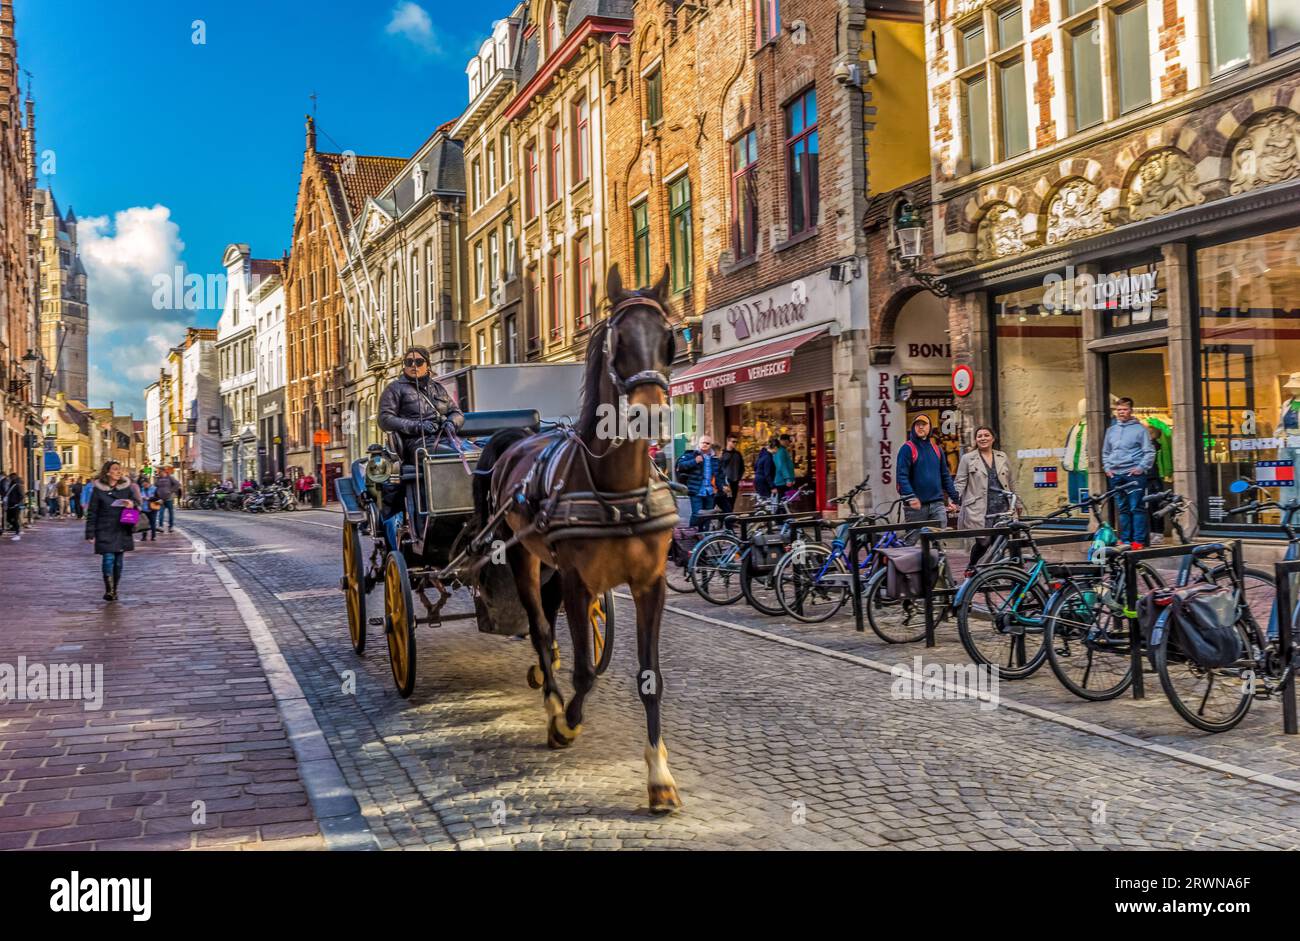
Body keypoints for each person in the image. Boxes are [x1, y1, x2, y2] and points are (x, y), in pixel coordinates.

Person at [378, 345, 465, 518]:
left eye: (418, 361)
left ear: (427, 364)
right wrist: (417, 426)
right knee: (450, 455)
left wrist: (451, 423)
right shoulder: (394, 389)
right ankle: (445, 505)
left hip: (446, 439)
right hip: (416, 444)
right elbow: (385, 419)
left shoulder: (438, 388)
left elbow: (457, 413)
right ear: (404, 365)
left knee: (475, 452)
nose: (414, 365)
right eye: (409, 362)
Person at [955, 426, 1015, 574]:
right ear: (976, 440)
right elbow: (960, 482)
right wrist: (953, 500)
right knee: (983, 542)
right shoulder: (967, 458)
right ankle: (971, 567)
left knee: (999, 543)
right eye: (979, 436)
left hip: (1002, 506)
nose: (983, 438)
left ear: (992, 438)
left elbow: (1012, 481)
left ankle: (995, 574)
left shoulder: (1002, 456)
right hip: (980, 508)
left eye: (986, 435)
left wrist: (1017, 503)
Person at [1102, 396, 1156, 548]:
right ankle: (1124, 539)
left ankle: (1138, 541)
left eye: (1124, 409)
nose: (1121, 412)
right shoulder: (1111, 430)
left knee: (1136, 508)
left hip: (1134, 475)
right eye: (1119, 410)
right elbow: (1105, 452)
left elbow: (1149, 452)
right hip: (1115, 474)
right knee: (1123, 508)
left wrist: (1141, 468)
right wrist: (1107, 468)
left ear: (1131, 411)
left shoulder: (1140, 430)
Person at [85, 460, 140, 602]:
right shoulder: (98, 490)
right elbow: (92, 512)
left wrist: (131, 504)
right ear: (108, 472)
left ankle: (115, 588)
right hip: (104, 528)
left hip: (122, 527)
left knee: (118, 562)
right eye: (115, 469)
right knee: (108, 558)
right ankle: (109, 590)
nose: (118, 471)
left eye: (119, 469)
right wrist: (90, 532)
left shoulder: (126, 488)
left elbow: (137, 504)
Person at [896, 414, 959, 525]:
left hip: (937, 505)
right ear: (913, 428)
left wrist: (954, 499)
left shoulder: (936, 449)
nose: (920, 427)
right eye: (917, 425)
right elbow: (901, 476)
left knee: (939, 539)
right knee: (913, 540)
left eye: (924, 425)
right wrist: (910, 497)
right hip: (916, 506)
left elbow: (945, 476)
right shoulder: (907, 448)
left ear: (930, 427)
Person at [676, 434, 719, 528]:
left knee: (708, 517)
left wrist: (721, 487)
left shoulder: (714, 458)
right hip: (696, 491)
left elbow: (719, 474)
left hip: (710, 492)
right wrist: (694, 461)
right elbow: (681, 466)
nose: (705, 444)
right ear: (699, 444)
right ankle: (692, 535)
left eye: (707, 443)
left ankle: (705, 536)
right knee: (696, 515)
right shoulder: (691, 454)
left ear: (710, 445)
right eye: (703, 442)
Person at [717, 436, 744, 514]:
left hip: (735, 481)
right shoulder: (722, 454)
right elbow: (718, 468)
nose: (735, 443)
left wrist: (739, 478)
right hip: (725, 482)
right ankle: (723, 520)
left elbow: (742, 467)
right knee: (725, 503)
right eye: (733, 441)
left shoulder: (738, 454)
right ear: (728, 441)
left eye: (736, 442)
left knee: (732, 502)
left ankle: (729, 520)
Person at [154, 467, 181, 533]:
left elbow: (177, 484)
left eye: (160, 472)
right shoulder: (158, 479)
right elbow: (155, 486)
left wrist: (171, 490)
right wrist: (156, 495)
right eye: (158, 472)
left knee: (170, 513)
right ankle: (160, 526)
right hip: (161, 499)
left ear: (164, 472)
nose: (159, 473)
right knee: (161, 512)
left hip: (169, 498)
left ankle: (171, 526)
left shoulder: (170, 478)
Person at [137, 476, 160, 542]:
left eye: (146, 484)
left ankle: (153, 536)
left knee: (153, 523)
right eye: (143, 485)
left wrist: (149, 498)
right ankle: (144, 537)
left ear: (148, 483)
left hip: (153, 508)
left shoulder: (155, 489)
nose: (144, 486)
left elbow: (158, 498)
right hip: (144, 508)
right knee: (144, 523)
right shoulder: (141, 489)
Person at [3, 472, 23, 539]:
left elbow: (21, 495)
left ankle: (17, 534)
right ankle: (17, 529)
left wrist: (17, 503)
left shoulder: (17, 485)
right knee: (8, 519)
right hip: (10, 505)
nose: (9, 478)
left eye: (10, 477)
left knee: (15, 519)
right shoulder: (11, 485)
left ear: (14, 477)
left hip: (15, 505)